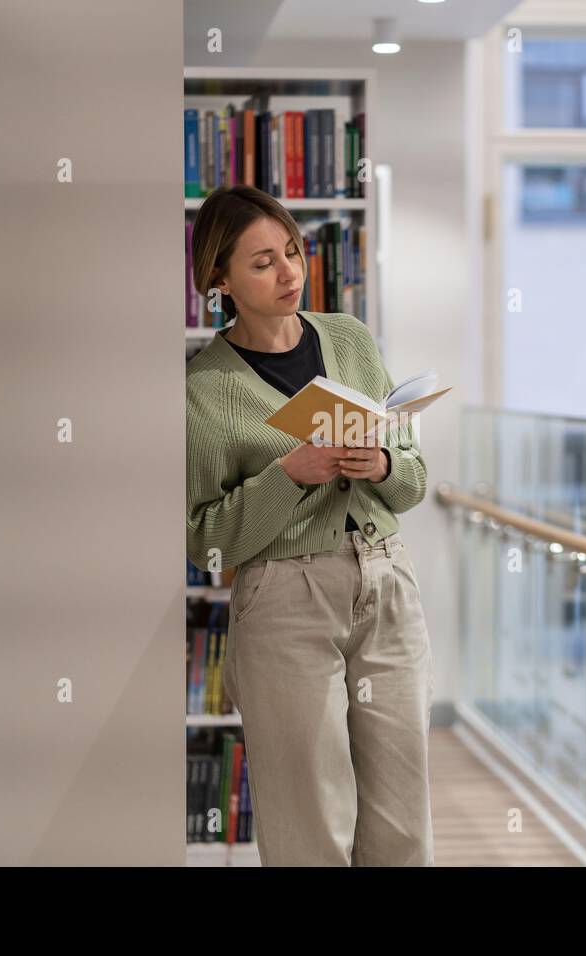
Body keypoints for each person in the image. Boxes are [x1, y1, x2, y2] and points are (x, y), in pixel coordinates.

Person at [186, 184, 434, 866]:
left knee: (403, 818)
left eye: (291, 251)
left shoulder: (349, 339)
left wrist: (380, 460)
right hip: (285, 604)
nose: (289, 271)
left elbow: (412, 481)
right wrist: (287, 475)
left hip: (385, 584)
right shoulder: (201, 390)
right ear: (220, 278)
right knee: (310, 822)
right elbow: (207, 541)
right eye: (262, 262)